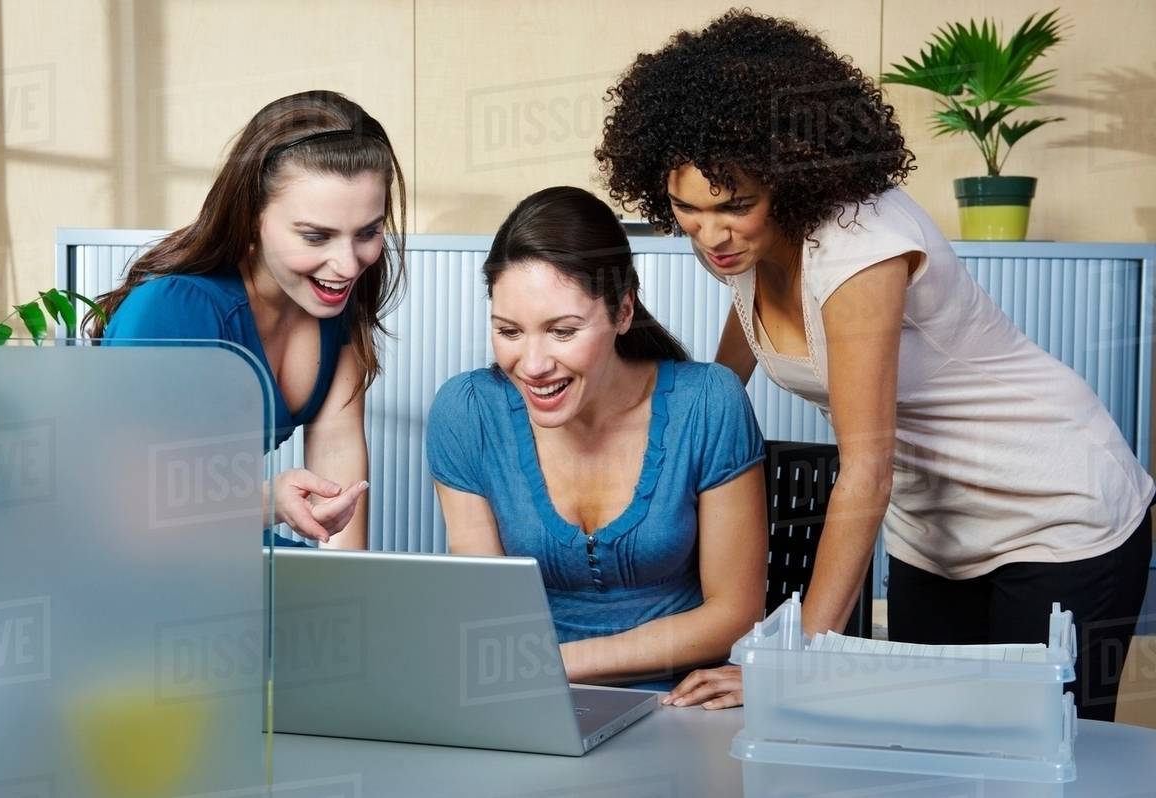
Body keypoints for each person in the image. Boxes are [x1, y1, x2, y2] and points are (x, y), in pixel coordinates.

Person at [596, 10, 1154, 720]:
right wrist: (637, 455)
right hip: (934, 532)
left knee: (1033, 755)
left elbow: (866, 467)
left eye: (735, 206)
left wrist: (795, 663)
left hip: (1053, 508)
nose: (711, 235)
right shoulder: (746, 246)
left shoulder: (860, 251)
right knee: (927, 750)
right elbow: (720, 380)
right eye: (688, 210)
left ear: (791, 177)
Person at [426, 186, 767, 690]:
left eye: (563, 331)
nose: (534, 365)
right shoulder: (468, 411)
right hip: (526, 693)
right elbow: (489, 610)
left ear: (623, 311)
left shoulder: (708, 402)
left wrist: (555, 665)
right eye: (509, 331)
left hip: (679, 697)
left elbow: (734, 614)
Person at [93, 90, 407, 549]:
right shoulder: (173, 310)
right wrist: (269, 503)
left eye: (367, 233)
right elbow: (122, 510)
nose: (347, 264)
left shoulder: (337, 310)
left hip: (228, 549)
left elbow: (338, 485)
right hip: (133, 560)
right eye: (316, 236)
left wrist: (349, 599)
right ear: (252, 216)